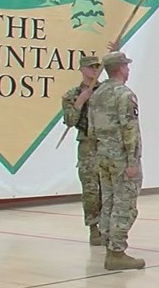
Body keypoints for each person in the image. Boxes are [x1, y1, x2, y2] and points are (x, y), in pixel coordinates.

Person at [87, 51, 145, 270]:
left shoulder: (97, 94)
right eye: (126, 66)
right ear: (121, 68)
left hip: (102, 156)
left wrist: (96, 155)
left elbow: (91, 130)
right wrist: (132, 161)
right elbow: (129, 130)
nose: (128, 70)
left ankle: (109, 244)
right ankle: (116, 252)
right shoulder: (124, 95)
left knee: (108, 202)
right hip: (121, 158)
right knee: (125, 204)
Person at [61, 54, 103, 246]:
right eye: (90, 67)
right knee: (91, 189)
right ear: (82, 70)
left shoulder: (106, 91)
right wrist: (81, 100)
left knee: (109, 188)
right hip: (87, 145)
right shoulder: (72, 94)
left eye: (97, 67)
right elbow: (70, 121)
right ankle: (94, 227)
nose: (94, 70)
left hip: (106, 144)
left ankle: (109, 227)